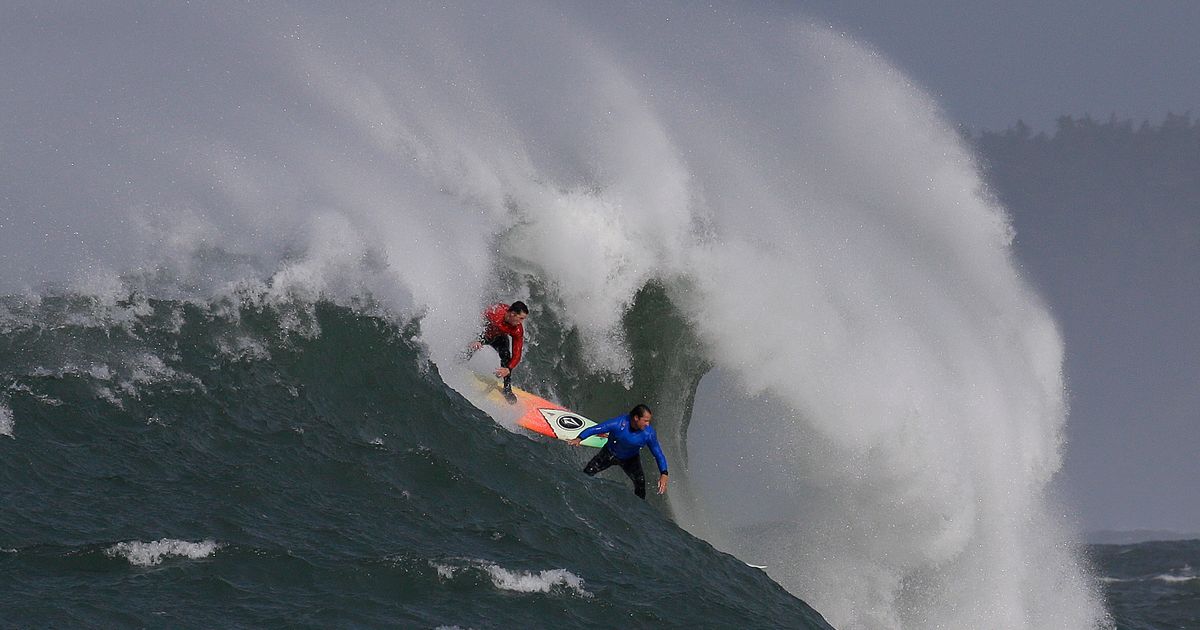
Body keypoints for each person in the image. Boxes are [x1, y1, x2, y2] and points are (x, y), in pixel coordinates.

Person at [568, 404, 668, 499]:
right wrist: (579, 439)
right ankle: (576, 492)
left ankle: (638, 510)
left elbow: (658, 453)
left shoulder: (648, 433)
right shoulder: (618, 423)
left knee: (640, 484)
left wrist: (664, 473)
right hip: (609, 454)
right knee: (587, 472)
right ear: (636, 418)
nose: (648, 424)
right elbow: (594, 429)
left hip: (630, 459)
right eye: (645, 421)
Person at [467, 300, 528, 404]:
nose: (521, 322)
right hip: (484, 332)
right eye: (520, 318)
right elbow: (478, 320)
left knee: (506, 357)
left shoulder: (517, 330)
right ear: (513, 314)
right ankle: (457, 362)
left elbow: (517, 353)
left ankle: (507, 389)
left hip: (499, 337)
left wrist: (508, 368)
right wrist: (477, 338)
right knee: (472, 348)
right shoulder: (495, 313)